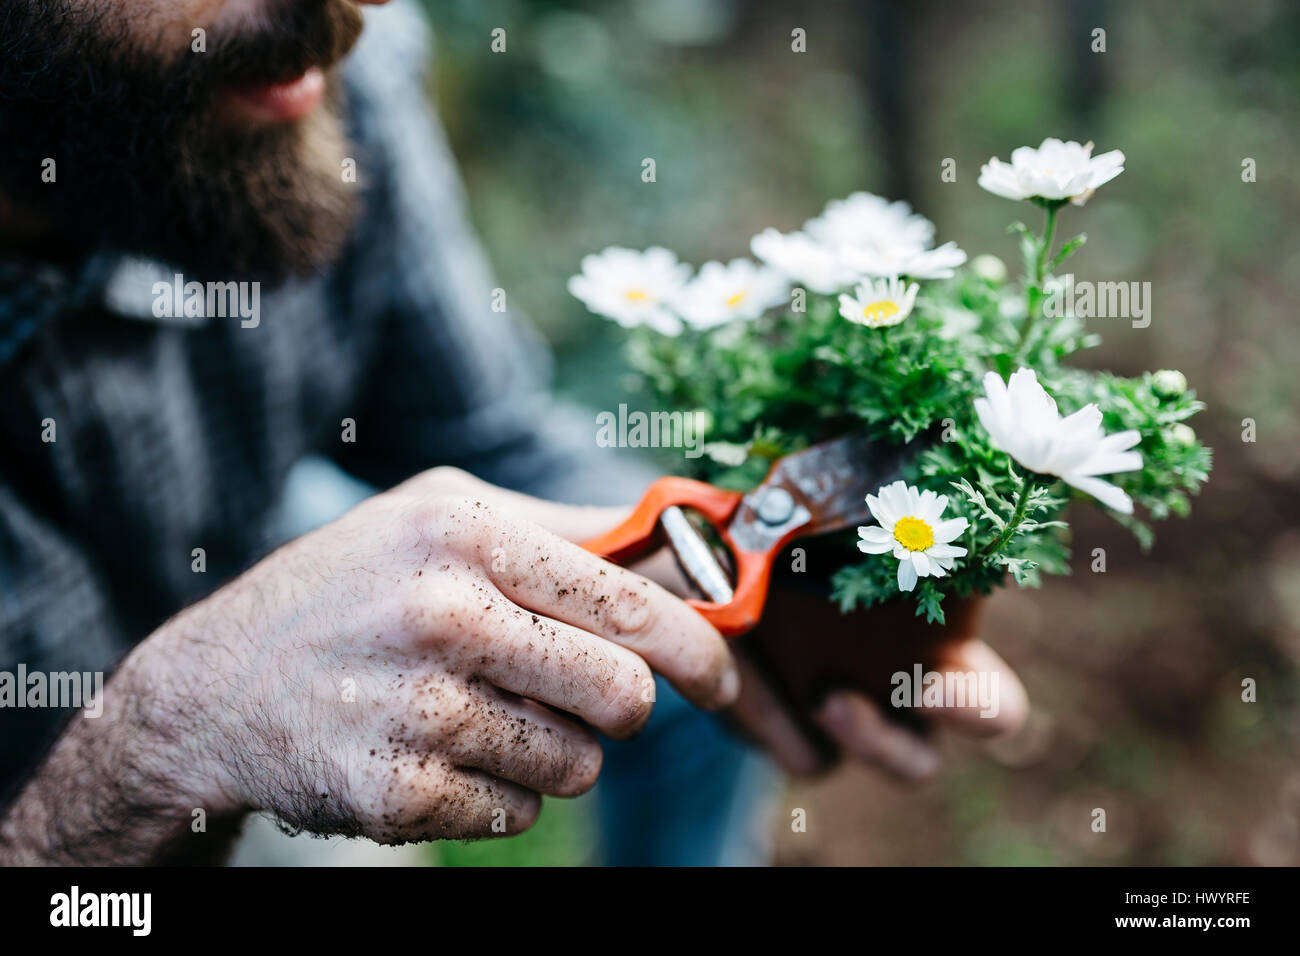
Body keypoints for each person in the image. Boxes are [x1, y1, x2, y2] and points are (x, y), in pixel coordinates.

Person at [0, 0, 1027, 866]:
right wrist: (152, 752)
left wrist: (782, 599)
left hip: (234, 571)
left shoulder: (308, 75)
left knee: (689, 678)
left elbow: (483, 440)